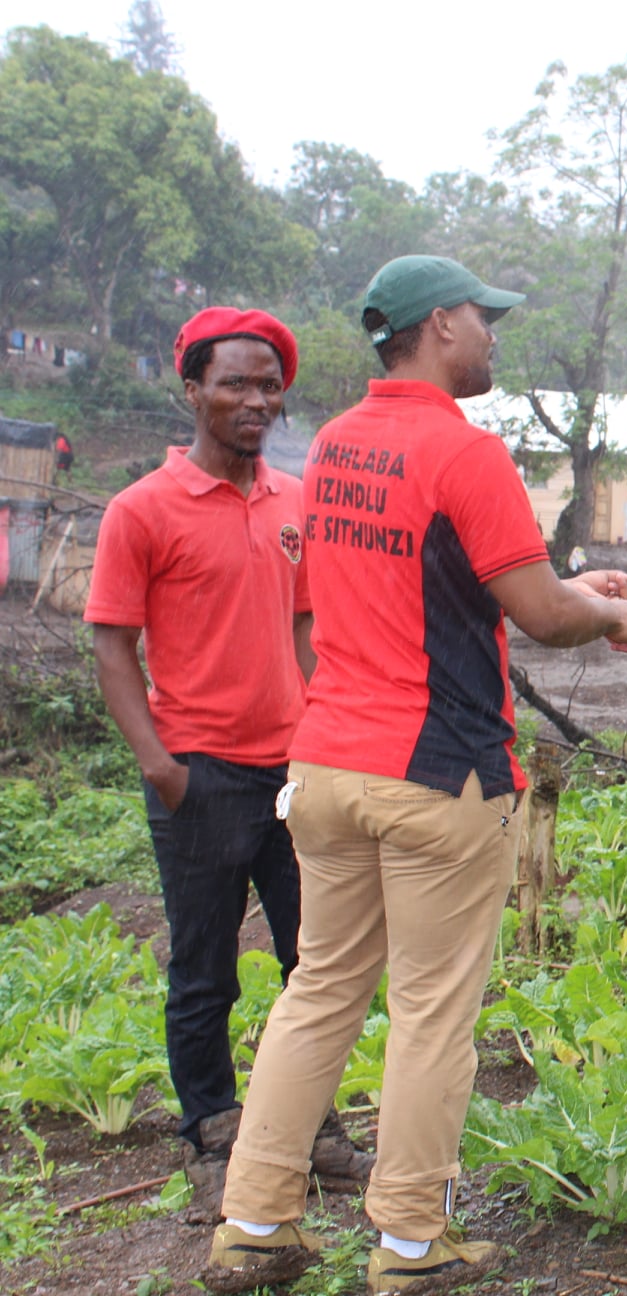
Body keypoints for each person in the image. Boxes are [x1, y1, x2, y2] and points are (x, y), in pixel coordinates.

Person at [203, 256, 627, 1294]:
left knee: (317, 992)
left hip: (323, 765)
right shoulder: (464, 450)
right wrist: (611, 614)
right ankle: (409, 1242)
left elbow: (411, 586)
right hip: (438, 773)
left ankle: (254, 1221)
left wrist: (568, 585)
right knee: (433, 1009)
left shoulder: (333, 447)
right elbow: (538, 616)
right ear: (439, 325)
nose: (493, 336)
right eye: (483, 320)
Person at [87, 308, 372, 1222]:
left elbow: (305, 627)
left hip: (294, 773)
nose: (257, 399)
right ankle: (211, 1127)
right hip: (198, 774)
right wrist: (161, 765)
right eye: (236, 384)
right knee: (205, 966)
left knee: (311, 960)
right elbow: (112, 647)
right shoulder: (142, 510)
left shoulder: (293, 502)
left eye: (269, 384)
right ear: (193, 392)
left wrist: (331, 723)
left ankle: (312, 1126)